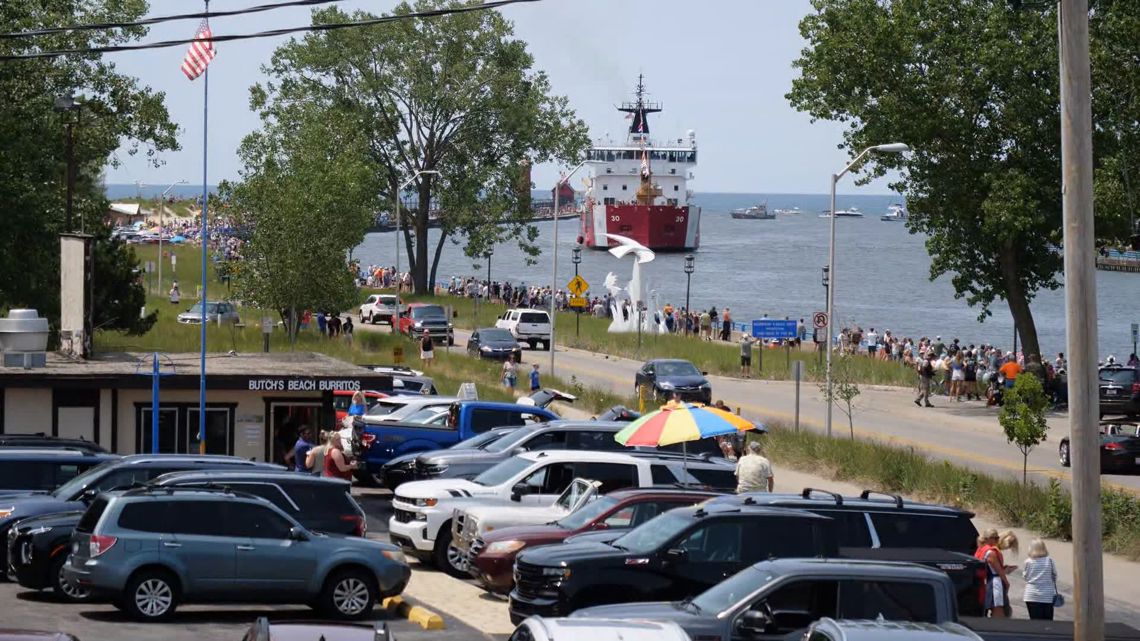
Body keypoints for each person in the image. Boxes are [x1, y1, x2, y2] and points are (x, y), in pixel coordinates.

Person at [1022, 539, 1059, 620]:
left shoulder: (1028, 562)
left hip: (1031, 595)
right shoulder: (1050, 561)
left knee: (1035, 621)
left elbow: (1026, 577)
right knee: (1047, 621)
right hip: (1047, 595)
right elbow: (1054, 576)